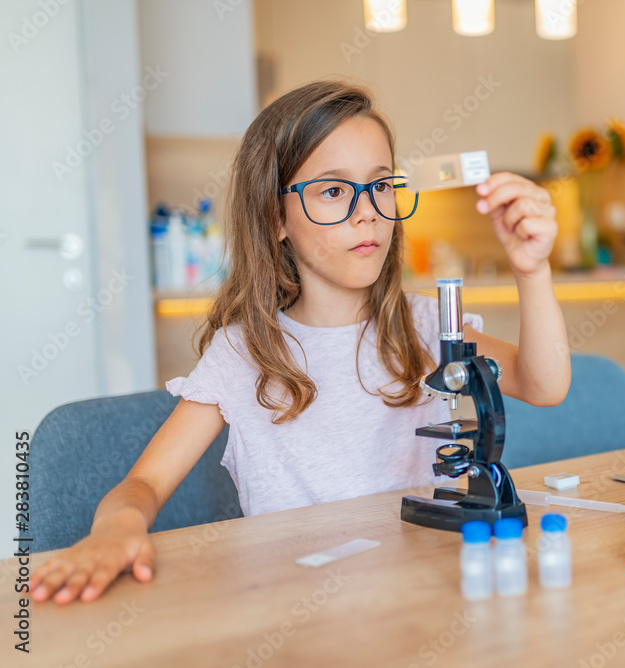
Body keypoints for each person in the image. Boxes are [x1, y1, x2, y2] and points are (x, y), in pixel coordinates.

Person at [29, 80, 571, 605]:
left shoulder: (426, 324)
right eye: (334, 191)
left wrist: (532, 270)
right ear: (275, 218)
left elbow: (542, 385)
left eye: (381, 185)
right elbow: (144, 483)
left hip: (421, 597)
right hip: (292, 613)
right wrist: (117, 527)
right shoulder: (242, 354)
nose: (368, 211)